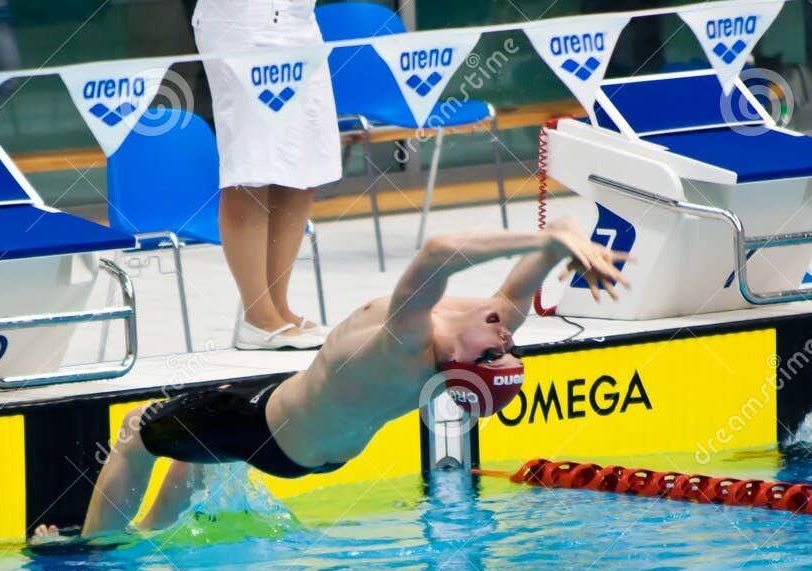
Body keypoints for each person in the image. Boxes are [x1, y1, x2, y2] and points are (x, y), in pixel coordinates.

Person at [69, 222, 626, 540]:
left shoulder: (406, 342)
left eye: (494, 353)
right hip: (307, 434)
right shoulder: (481, 330)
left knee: (137, 432)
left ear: (455, 360)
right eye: (508, 348)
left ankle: (94, 556)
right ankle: (154, 528)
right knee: (201, 444)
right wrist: (560, 244)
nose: (504, 337)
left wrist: (544, 236)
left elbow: (437, 253)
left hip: (269, 430)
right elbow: (515, 291)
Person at [193, 0, 341, 351]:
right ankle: (257, 315)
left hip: (299, 22)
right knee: (252, 167)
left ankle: (279, 306)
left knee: (302, 167)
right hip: (243, 25)